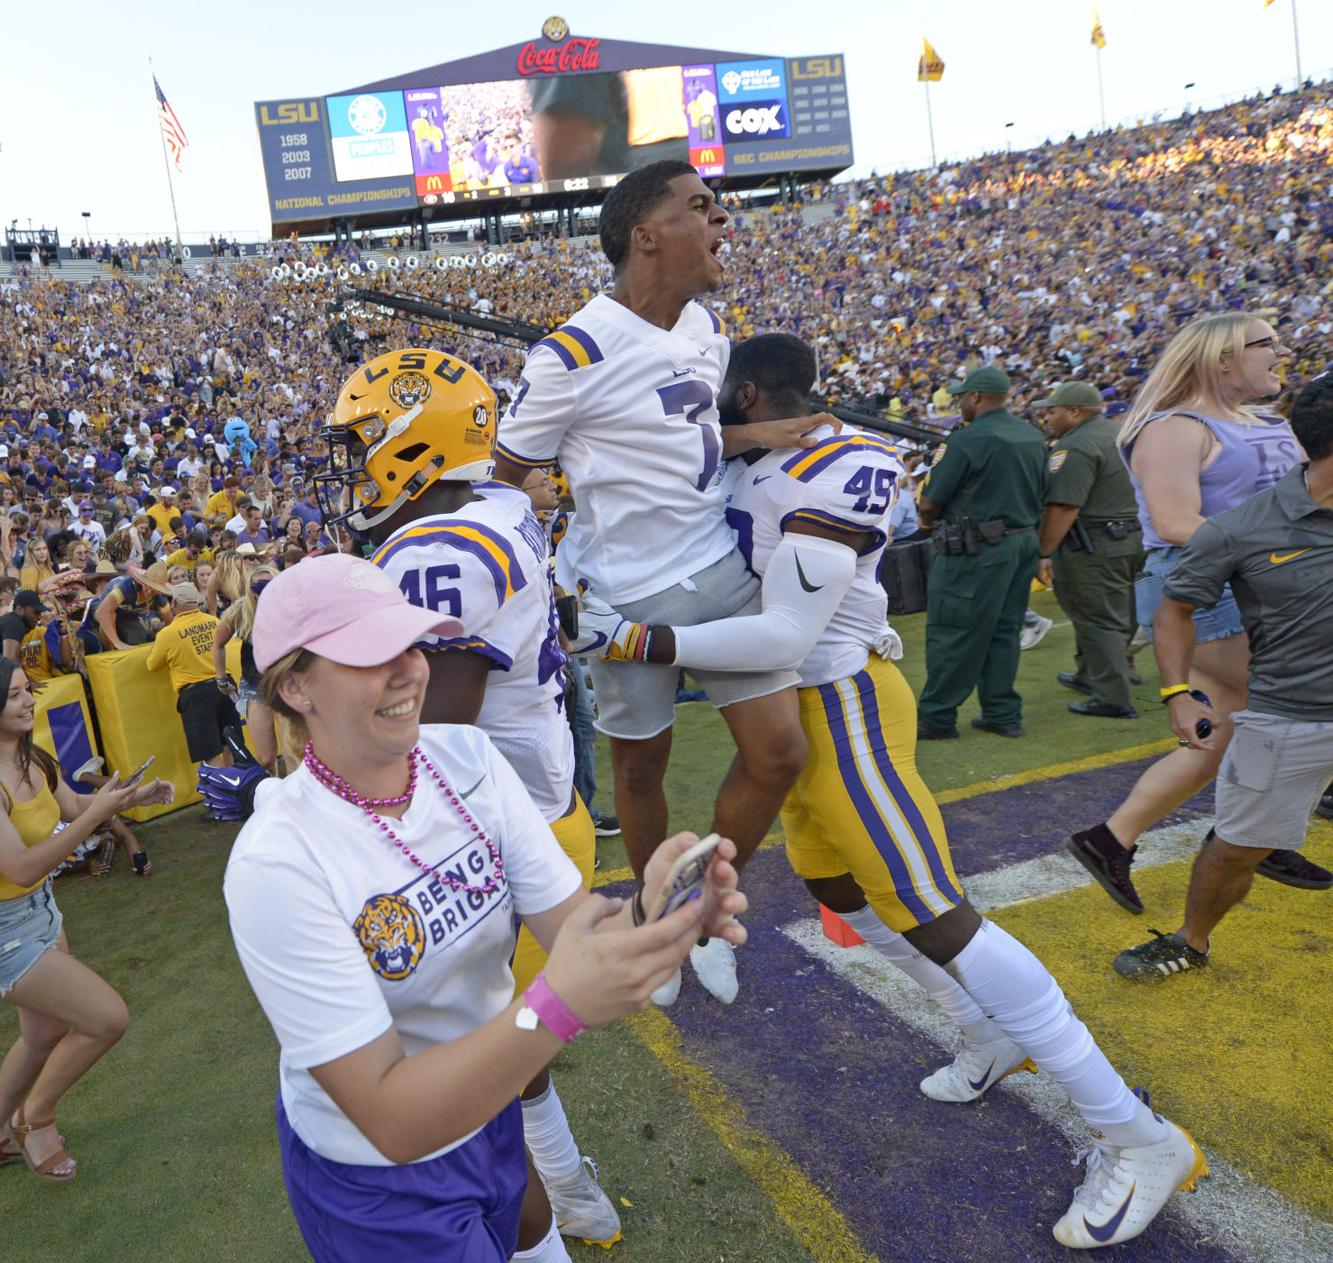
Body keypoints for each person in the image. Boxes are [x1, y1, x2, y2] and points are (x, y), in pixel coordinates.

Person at [577, 333, 1209, 1249]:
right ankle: (980, 1030)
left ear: (745, 389)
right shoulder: (763, 452)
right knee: (837, 892)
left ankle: (1136, 1136)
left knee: (937, 913)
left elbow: (786, 634)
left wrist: (639, 643)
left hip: (840, 705)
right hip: (792, 719)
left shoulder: (838, 467)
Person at [223, 554, 746, 1263]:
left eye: (410, 643)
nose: (407, 668)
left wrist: (655, 913)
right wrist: (555, 1005)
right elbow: (392, 1118)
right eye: (370, 654)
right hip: (375, 1180)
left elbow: (574, 926)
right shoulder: (276, 862)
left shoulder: (465, 756)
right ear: (294, 687)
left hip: (486, 1105)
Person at [492, 160, 821, 1006]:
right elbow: (509, 473)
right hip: (624, 594)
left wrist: (773, 434)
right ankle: (655, 914)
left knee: (778, 752)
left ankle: (698, 910)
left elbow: (692, 438)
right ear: (646, 235)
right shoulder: (569, 352)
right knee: (640, 773)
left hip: (713, 563)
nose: (722, 221)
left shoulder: (706, 327)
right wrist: (547, 522)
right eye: (701, 207)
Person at [318, 347, 621, 1250]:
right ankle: (572, 1189)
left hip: (490, 830)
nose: (355, 458)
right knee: (503, 1042)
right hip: (540, 804)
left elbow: (434, 730)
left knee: (466, 1073)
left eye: (366, 438)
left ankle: (553, 1214)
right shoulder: (497, 505)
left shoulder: (437, 546)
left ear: (415, 439)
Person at [1065, 313, 1328, 911]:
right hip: (1209, 586)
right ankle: (1256, 832)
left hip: (1255, 584)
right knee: (1299, 704)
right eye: (1267, 343)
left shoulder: (1265, 421)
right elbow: (1175, 521)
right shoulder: (1174, 427)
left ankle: (1112, 839)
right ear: (1224, 358)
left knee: (1228, 728)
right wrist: (1283, 553)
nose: (1281, 352)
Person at [1115, 373, 1333, 979]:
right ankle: (1192, 940)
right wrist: (1177, 694)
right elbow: (1175, 609)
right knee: (1237, 846)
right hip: (1286, 717)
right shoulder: (1241, 528)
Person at [0, 658, 172, 1181]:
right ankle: (36, 1118)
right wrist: (99, 818)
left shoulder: (33, 759)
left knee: (41, 1035)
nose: (28, 701)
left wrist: (128, 797)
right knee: (105, 1019)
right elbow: (23, 865)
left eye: (28, 690)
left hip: (42, 910)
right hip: (6, 932)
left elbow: (72, 805)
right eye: (13, 695)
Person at [916, 366, 1047, 739]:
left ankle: (937, 717)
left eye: (962, 397)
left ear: (975, 397)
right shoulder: (1032, 435)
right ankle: (1002, 713)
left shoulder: (967, 440)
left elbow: (929, 503)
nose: (959, 404)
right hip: (1021, 541)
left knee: (953, 628)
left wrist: (928, 525)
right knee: (1005, 629)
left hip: (977, 550)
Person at [1033, 382, 1145, 718]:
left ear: (1075, 411)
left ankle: (1112, 697)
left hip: (1095, 543)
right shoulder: (1120, 433)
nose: (1047, 417)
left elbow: (1064, 506)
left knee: (1098, 618)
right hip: (1131, 536)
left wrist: (1043, 552)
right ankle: (1089, 675)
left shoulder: (1077, 445)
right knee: (1118, 612)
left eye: (1053, 411)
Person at [145, 583, 238, 771]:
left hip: (196, 695)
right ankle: (240, 791)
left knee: (210, 752)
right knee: (232, 744)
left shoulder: (167, 633)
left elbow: (152, 665)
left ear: (175, 603)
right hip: (225, 685)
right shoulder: (213, 621)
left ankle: (223, 794)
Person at [213, 565, 277, 773]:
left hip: (286, 682)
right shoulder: (242, 610)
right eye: (257, 586)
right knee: (266, 758)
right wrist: (221, 678)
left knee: (296, 751)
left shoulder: (288, 604)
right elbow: (217, 643)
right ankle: (274, 799)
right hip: (255, 685)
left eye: (268, 585)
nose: (262, 591)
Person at [0, 591, 47, 660]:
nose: (39, 617)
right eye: (35, 612)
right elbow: (9, 663)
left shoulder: (9, 620)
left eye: (40, 613)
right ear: (19, 609)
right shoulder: (15, 623)